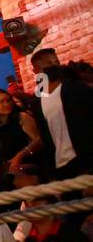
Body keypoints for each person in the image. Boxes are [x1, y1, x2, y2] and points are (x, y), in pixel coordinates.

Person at [30, 48, 93, 180]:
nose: (54, 66)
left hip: (86, 161)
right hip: (61, 169)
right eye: (48, 64)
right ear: (36, 71)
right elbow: (45, 136)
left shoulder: (75, 88)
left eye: (56, 62)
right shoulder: (37, 102)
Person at [0, 88, 43, 191]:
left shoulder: (21, 117)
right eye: (1, 102)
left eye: (8, 100)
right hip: (4, 170)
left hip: (25, 166)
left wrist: (19, 156)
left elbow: (39, 140)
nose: (6, 104)